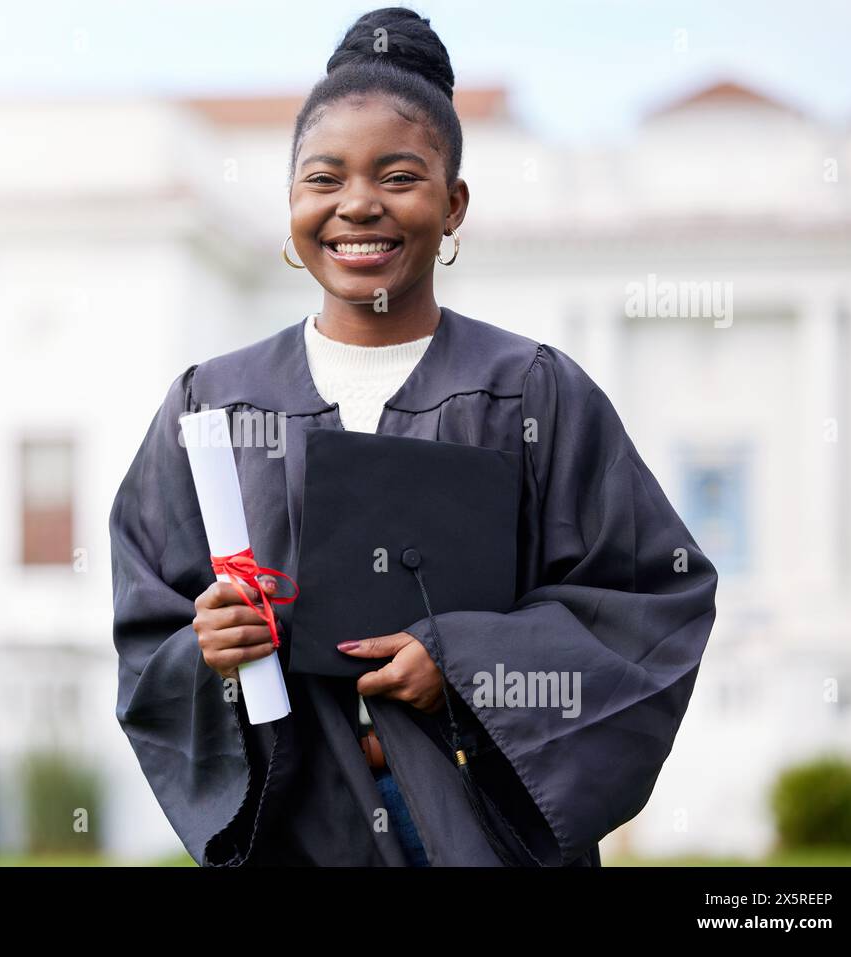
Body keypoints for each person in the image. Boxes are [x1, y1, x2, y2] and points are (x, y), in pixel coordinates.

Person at [109, 6, 718, 866]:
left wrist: (468, 664)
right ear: (292, 202)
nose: (357, 203)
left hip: (480, 833)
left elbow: (654, 601)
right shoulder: (213, 406)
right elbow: (150, 627)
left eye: (399, 176)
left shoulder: (531, 390)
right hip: (299, 832)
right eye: (324, 178)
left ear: (454, 203)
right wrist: (206, 649)